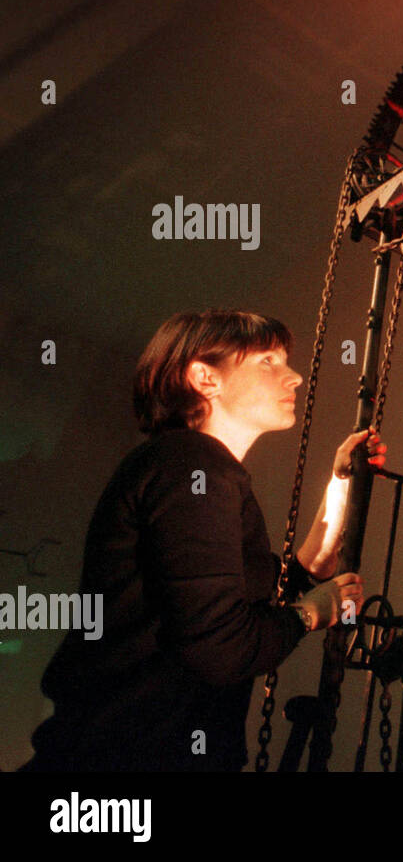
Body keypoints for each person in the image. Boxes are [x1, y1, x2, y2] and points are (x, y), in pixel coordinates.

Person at [20, 309, 382, 772]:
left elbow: (279, 587)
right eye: (267, 361)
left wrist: (340, 483)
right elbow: (223, 647)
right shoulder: (191, 467)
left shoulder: (191, 469)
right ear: (205, 378)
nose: (293, 377)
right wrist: (311, 614)